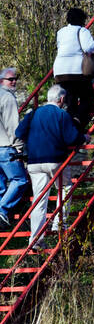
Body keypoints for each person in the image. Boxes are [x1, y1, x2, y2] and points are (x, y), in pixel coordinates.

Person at [16, 84, 84, 247]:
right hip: (55, 160)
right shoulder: (62, 115)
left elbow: (19, 133)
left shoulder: (33, 114)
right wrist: (84, 138)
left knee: (39, 199)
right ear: (61, 99)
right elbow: (71, 138)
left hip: (34, 163)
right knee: (66, 187)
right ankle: (59, 223)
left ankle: (35, 239)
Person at [53, 8, 94, 131]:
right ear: (82, 19)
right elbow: (89, 47)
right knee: (88, 99)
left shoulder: (61, 32)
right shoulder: (82, 31)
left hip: (60, 71)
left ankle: (70, 128)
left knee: (70, 101)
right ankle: (77, 120)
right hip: (77, 71)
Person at [0, 67, 29, 230]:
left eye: (15, 78)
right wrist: (19, 148)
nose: (14, 82)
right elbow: (13, 126)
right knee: (20, 180)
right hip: (5, 147)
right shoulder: (7, 97)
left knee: (1, 186)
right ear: (1, 81)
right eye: (10, 79)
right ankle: (2, 210)